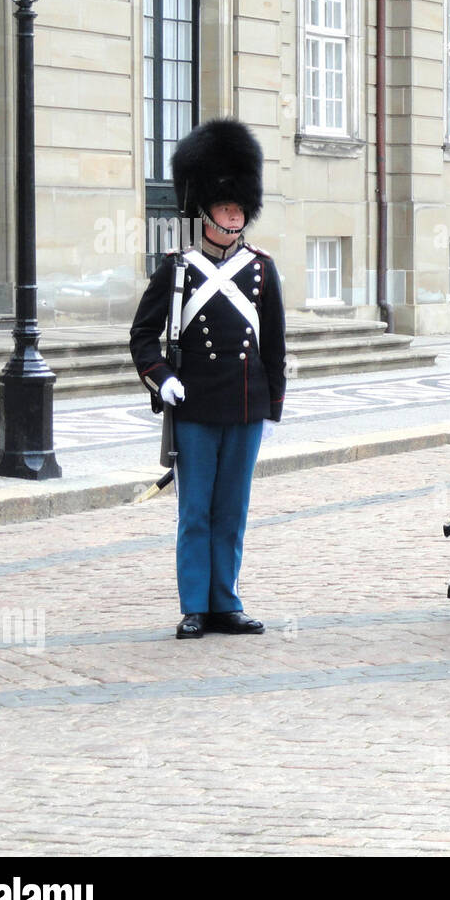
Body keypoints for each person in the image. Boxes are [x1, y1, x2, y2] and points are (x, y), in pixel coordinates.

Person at [130, 118, 285, 640]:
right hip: (195, 407)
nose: (234, 215)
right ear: (205, 211)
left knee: (232, 510)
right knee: (195, 511)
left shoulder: (261, 270)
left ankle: (226, 600)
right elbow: (143, 337)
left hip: (244, 407)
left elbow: (275, 347)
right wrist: (162, 379)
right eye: (225, 207)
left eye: (240, 208)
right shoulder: (176, 269)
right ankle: (195, 603)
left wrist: (273, 409)